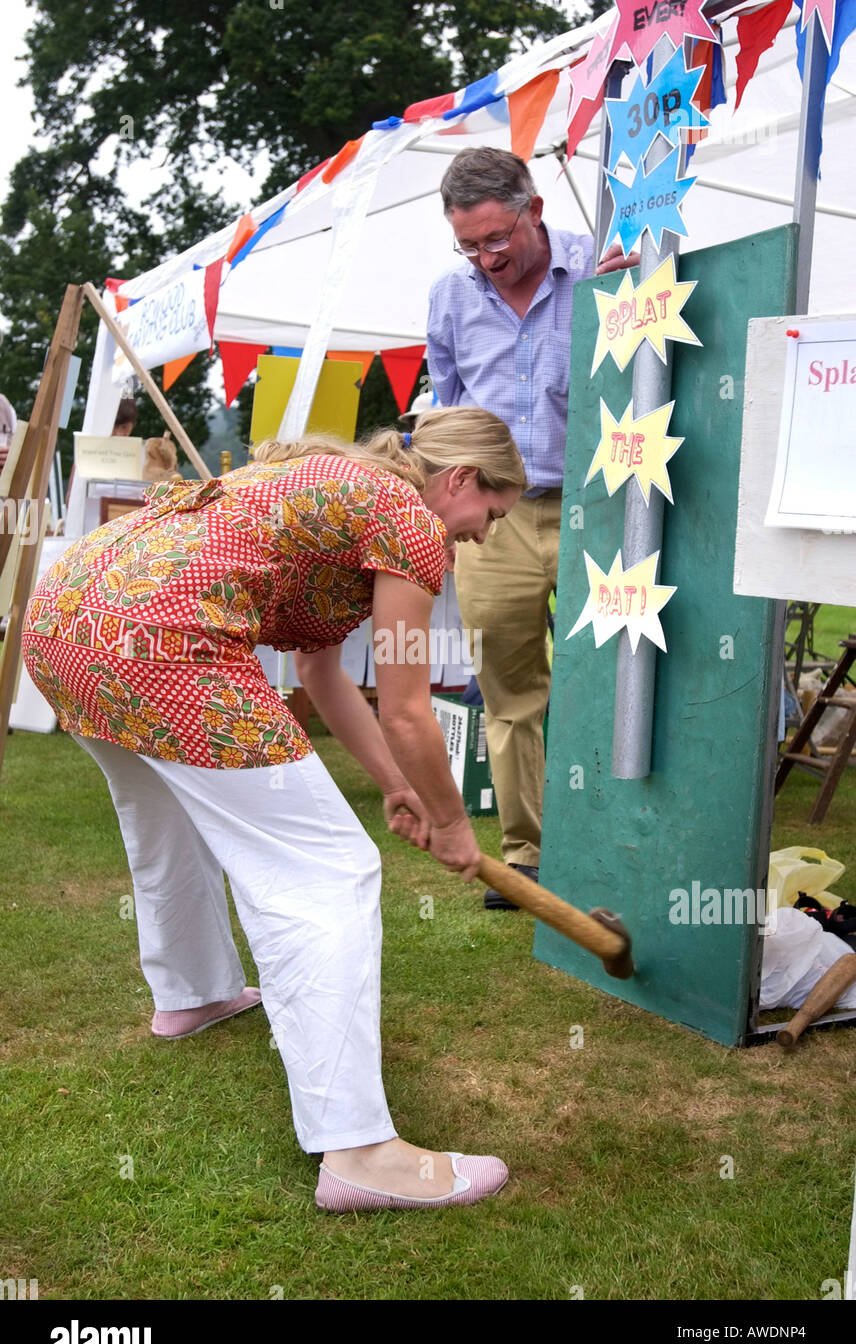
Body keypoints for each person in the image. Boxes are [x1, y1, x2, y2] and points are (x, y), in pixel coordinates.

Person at [22, 406, 525, 1212]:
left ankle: (193, 993)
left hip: (64, 622)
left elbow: (323, 677)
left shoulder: (338, 490)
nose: (485, 535)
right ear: (461, 480)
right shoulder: (409, 520)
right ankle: (360, 1152)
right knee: (328, 870)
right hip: (164, 643)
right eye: (491, 513)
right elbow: (407, 710)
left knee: (166, 821)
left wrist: (397, 786)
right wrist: (454, 822)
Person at [427, 148, 637, 909]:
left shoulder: (606, 265)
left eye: (496, 238)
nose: (486, 259)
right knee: (510, 690)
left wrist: (641, 293)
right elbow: (447, 412)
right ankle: (530, 857)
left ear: (535, 210)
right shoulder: (449, 296)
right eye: (470, 245)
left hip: (602, 503)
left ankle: (624, 843)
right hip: (497, 524)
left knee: (618, 675)